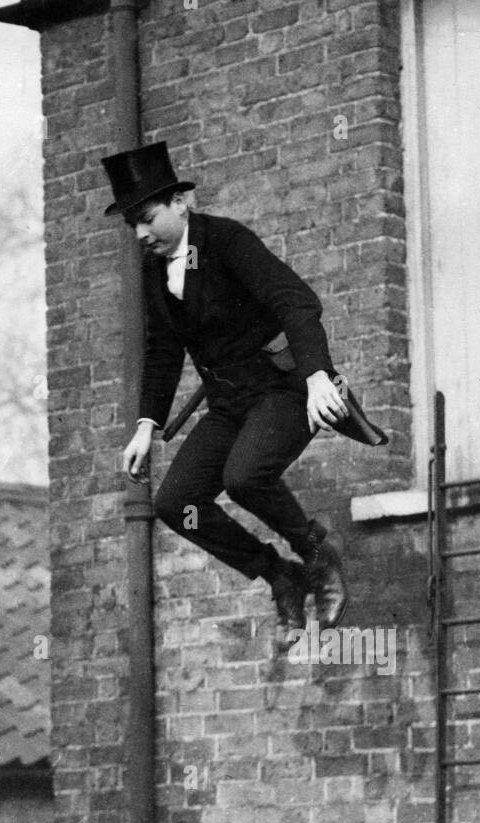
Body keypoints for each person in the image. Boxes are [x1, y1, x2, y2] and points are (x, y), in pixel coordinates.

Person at [103, 142, 386, 651]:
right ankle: (281, 576)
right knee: (176, 502)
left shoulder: (227, 241)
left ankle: (318, 555)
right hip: (229, 403)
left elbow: (296, 300)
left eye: (147, 218)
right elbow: (164, 349)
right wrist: (147, 424)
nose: (141, 234)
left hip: (284, 390)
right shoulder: (153, 271)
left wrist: (319, 375)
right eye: (133, 225)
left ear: (179, 203)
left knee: (244, 477)